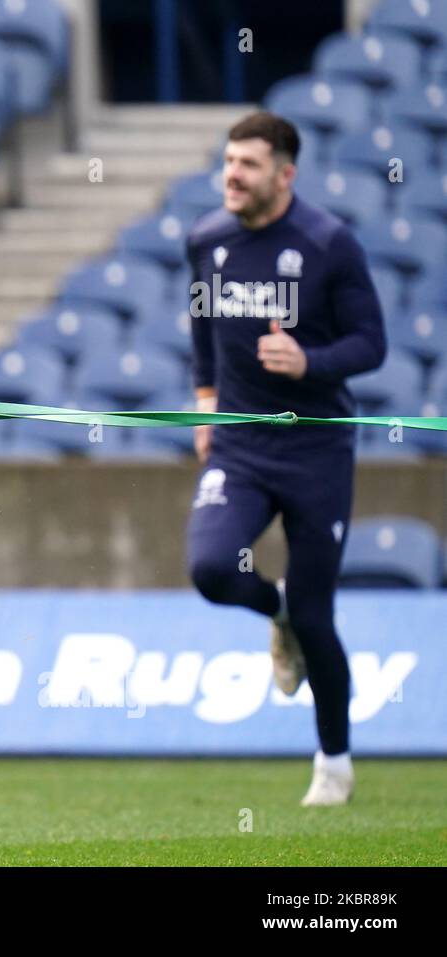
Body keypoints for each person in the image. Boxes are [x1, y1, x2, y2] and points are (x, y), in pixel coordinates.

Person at [184, 111, 386, 806]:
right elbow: (203, 324)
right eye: (228, 160)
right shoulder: (206, 239)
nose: (231, 175)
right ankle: (275, 613)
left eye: (247, 164)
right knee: (211, 567)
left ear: (285, 174)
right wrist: (206, 397)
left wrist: (310, 361)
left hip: (316, 446)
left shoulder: (330, 244)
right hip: (239, 442)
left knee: (317, 609)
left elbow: (371, 344)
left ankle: (334, 761)